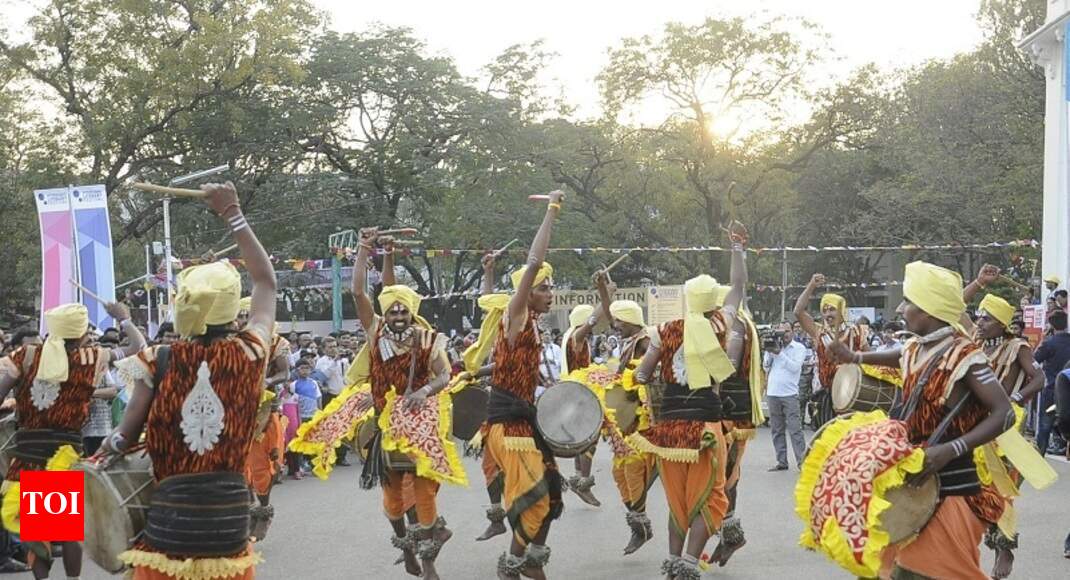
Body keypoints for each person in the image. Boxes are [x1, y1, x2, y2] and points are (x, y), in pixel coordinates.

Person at [98, 181, 275, 580]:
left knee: (44, 530)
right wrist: (232, 212)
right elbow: (266, 283)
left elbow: (124, 437)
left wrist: (105, 451)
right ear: (232, 310)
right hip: (227, 528)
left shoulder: (156, 359)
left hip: (168, 527)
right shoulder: (251, 352)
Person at [828, 261, 1014, 580]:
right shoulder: (917, 346)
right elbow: (899, 354)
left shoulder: (965, 357)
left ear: (928, 311)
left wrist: (952, 448)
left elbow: (1005, 413)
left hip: (951, 487)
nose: (900, 309)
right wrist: (855, 357)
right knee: (883, 570)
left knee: (928, 573)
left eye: (908, 302)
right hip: (913, 479)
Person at [631, 222, 749, 580]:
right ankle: (688, 564)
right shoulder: (721, 325)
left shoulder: (664, 330)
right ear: (713, 302)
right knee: (712, 499)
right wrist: (737, 248)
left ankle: (673, 561)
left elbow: (642, 375)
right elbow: (738, 289)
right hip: (705, 430)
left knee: (678, 501)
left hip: (668, 433)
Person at [0, 300, 144, 580]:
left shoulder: (26, 355)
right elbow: (138, 347)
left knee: (38, 531)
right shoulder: (92, 357)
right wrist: (124, 318)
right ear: (80, 334)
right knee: (69, 531)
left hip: (29, 452)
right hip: (65, 453)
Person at [351, 227, 455, 580]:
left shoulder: (427, 339)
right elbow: (358, 292)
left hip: (419, 426)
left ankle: (429, 565)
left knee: (424, 497)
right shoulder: (374, 331)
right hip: (386, 427)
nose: (397, 316)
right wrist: (364, 249)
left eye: (403, 312)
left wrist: (424, 392)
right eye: (392, 312)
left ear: (411, 313)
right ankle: (407, 548)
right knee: (393, 502)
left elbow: (444, 375)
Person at [470, 191, 563, 580]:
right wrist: (552, 210)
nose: (549, 294)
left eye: (550, 288)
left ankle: (532, 561)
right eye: (543, 288)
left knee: (552, 494)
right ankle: (511, 566)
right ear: (527, 293)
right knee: (535, 499)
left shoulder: (533, 326)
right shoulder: (518, 315)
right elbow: (534, 262)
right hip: (509, 427)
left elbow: (508, 360)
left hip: (525, 422)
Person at [960, 265, 1045, 579]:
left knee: (1001, 489)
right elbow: (954, 307)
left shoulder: (1017, 347)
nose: (979, 323)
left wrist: (1016, 399)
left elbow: (1039, 378)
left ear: (1002, 323)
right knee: (976, 490)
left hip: (1005, 427)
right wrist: (978, 283)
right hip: (975, 424)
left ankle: (1004, 547)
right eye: (979, 317)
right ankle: (983, 545)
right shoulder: (975, 341)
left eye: (986, 319)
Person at [594, 271, 658, 555]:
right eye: (616, 321)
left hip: (643, 420)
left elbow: (651, 374)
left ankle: (640, 524)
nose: (615, 326)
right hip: (626, 416)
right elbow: (610, 316)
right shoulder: (630, 337)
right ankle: (638, 521)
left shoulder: (645, 341)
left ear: (631, 321)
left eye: (620, 322)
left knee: (632, 468)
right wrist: (602, 288)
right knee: (619, 472)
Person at [793, 274, 870, 427]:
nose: (828, 314)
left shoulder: (857, 332)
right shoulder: (818, 332)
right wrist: (811, 286)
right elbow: (798, 311)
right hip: (828, 395)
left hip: (854, 393)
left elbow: (870, 360)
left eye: (832, 309)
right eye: (825, 310)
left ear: (842, 311)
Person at [559, 301, 602, 507]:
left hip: (574, 393)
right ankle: (584, 482)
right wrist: (606, 294)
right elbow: (592, 321)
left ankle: (578, 477)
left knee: (581, 438)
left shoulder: (571, 336)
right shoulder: (576, 337)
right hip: (578, 394)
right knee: (589, 438)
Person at [763, 322, 807, 471]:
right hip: (773, 392)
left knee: (795, 429)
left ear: (793, 332)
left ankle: (802, 462)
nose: (784, 335)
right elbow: (766, 366)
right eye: (781, 332)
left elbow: (795, 367)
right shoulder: (774, 346)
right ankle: (781, 461)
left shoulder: (799, 348)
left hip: (790, 394)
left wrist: (779, 353)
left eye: (787, 331)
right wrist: (769, 351)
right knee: (777, 430)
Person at [1033, 310, 1070, 456]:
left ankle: (1038, 458)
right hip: (1068, 392)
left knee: (1044, 427)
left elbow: (1034, 361)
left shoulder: (1049, 343)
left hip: (1052, 391)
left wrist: (1042, 340)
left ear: (1051, 325)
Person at [315, 336, 350, 466]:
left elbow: (347, 376)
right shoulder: (321, 362)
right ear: (324, 349)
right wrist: (334, 361)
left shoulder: (344, 361)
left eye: (335, 346)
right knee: (330, 427)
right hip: (329, 396)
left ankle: (342, 455)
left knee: (343, 425)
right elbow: (323, 376)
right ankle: (330, 455)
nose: (333, 349)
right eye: (330, 347)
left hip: (342, 395)